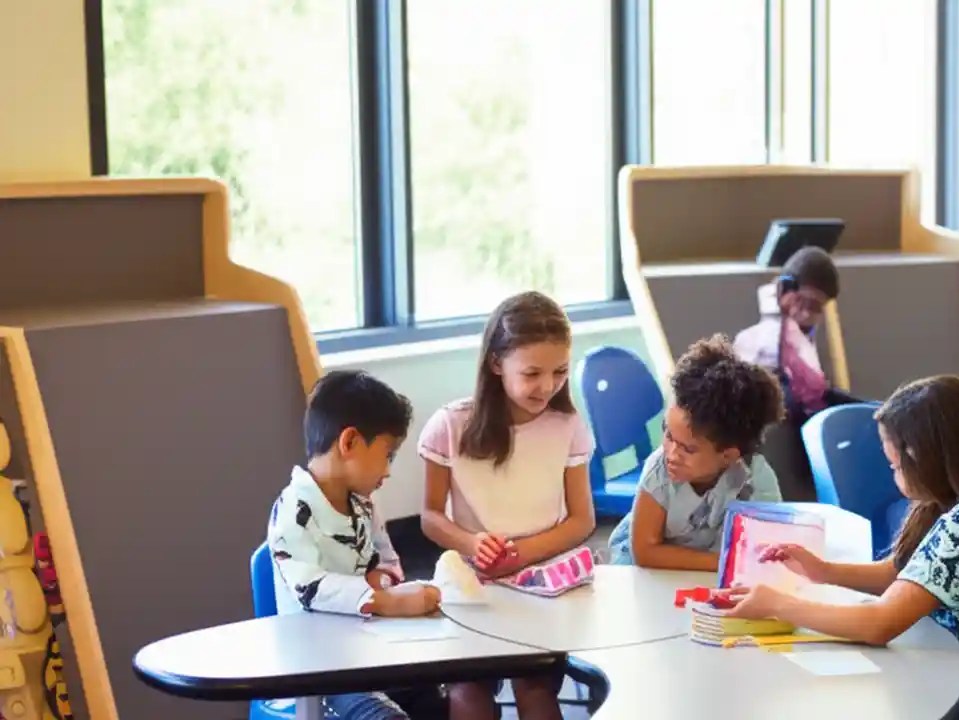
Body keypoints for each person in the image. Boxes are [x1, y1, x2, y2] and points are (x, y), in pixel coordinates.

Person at [724, 375, 959, 719]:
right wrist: (824, 571)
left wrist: (779, 604)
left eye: (895, 465)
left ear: (923, 457)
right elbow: (903, 575)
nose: (893, 474)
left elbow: (880, 624)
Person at [418, 291, 595, 720]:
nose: (547, 386)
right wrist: (472, 543)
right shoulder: (450, 425)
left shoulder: (567, 425)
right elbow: (430, 516)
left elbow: (582, 519)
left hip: (541, 578)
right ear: (496, 363)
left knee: (535, 688)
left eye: (560, 372)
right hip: (473, 579)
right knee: (468, 690)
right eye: (532, 373)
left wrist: (522, 553)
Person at [268, 370, 445, 719]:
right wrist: (386, 601)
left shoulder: (364, 505)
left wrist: (385, 579)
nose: (388, 471)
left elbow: (388, 559)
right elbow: (310, 587)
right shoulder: (293, 510)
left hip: (368, 649)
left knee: (438, 701)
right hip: (319, 667)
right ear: (349, 442)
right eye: (388, 455)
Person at [608, 335, 785, 570]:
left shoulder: (755, 479)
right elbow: (645, 552)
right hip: (646, 568)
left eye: (688, 449)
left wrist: (736, 562)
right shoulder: (660, 469)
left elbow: (762, 549)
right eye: (668, 434)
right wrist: (726, 562)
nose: (671, 454)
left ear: (729, 456)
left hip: (707, 566)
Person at [734, 246, 858, 423]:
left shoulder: (802, 341)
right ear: (783, 289)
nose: (807, 314)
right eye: (803, 302)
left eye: (816, 307)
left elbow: (818, 394)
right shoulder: (759, 341)